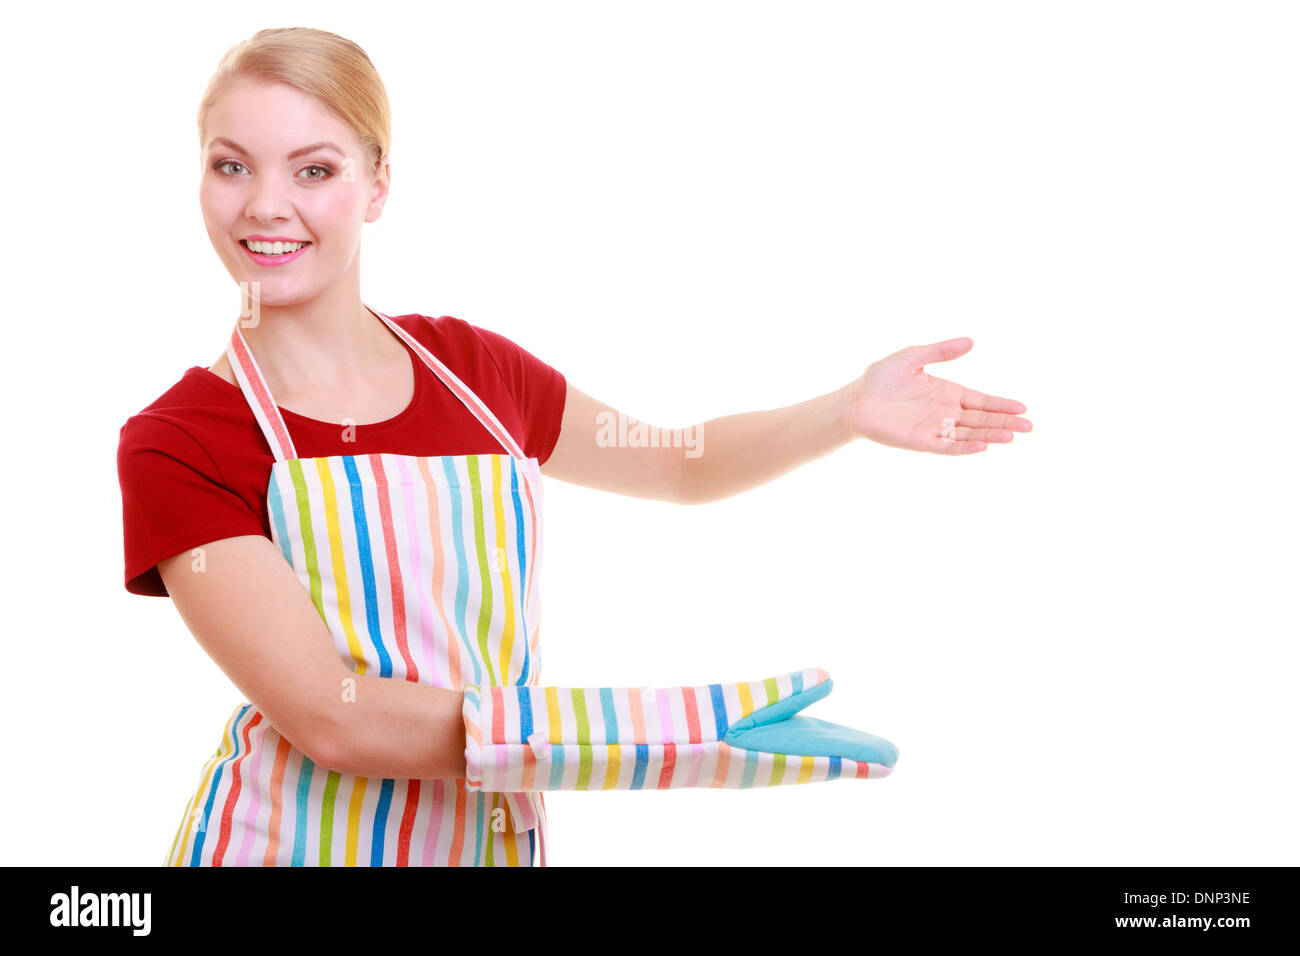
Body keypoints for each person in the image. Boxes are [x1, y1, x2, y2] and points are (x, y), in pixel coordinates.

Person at [117, 27, 1032, 867]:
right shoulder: (179, 443)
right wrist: (673, 734)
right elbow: (334, 719)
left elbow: (678, 460)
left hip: (492, 846)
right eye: (232, 166)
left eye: (313, 170)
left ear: (379, 183)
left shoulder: (474, 374)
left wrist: (844, 410)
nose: (265, 206)